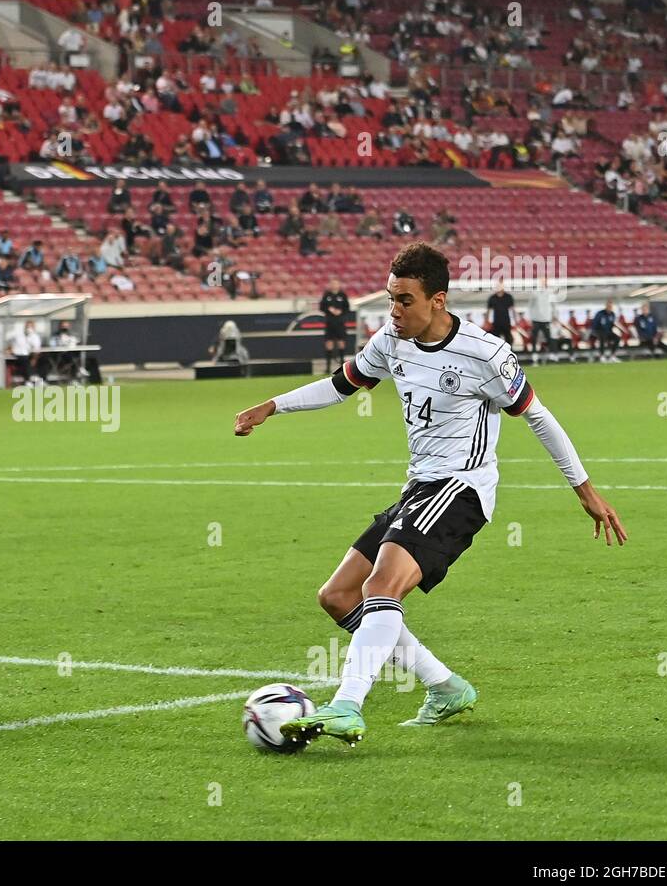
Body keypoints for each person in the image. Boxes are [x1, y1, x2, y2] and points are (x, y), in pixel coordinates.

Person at [232, 243, 627, 748]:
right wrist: (271, 407)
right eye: (391, 299)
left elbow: (537, 415)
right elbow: (341, 385)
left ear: (437, 300)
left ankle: (347, 704)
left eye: (405, 300)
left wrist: (584, 489)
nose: (394, 311)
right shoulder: (391, 341)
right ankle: (446, 688)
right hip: (418, 488)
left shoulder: (485, 354)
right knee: (336, 597)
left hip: (461, 489)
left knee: (381, 587)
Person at [527, 284, 565, 365]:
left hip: (546, 319)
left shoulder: (549, 293)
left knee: (548, 337)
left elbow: (554, 305)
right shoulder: (534, 293)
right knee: (534, 338)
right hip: (536, 319)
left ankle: (552, 355)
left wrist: (554, 316)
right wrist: (530, 318)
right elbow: (530, 306)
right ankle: (534, 355)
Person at [319, 279, 351, 374]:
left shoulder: (342, 295)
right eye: (332, 284)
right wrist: (329, 309)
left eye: (336, 283)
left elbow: (347, 308)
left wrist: (340, 311)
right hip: (329, 323)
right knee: (329, 344)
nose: (334, 285)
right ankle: (328, 367)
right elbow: (321, 307)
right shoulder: (326, 295)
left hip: (340, 323)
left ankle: (342, 366)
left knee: (341, 343)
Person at [6, 320, 42, 385]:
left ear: (34, 327)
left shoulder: (35, 337)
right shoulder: (18, 334)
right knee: (25, 360)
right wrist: (9, 348)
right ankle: (30, 379)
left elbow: (37, 349)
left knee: (42, 360)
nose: (28, 328)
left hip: (28, 355)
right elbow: (9, 342)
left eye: (30, 326)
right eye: (27, 326)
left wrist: (34, 359)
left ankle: (32, 379)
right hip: (16, 355)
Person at [485, 280, 515, 346]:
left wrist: (515, 321)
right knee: (495, 339)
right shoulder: (492, 298)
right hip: (496, 323)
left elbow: (512, 310)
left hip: (506, 322)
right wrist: (486, 321)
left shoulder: (508, 297)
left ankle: (509, 352)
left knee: (508, 339)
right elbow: (488, 311)